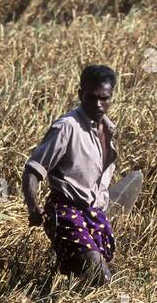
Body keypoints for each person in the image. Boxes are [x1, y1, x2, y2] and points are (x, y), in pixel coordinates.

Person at [23, 64, 120, 285]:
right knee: (99, 275)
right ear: (80, 94)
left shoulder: (108, 130)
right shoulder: (67, 127)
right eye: (91, 97)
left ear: (111, 97)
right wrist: (33, 207)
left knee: (90, 276)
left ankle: (52, 291)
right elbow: (32, 170)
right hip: (65, 210)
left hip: (94, 212)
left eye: (104, 98)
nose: (98, 104)